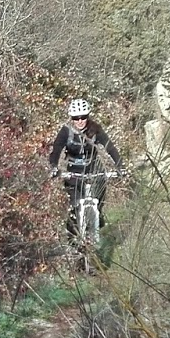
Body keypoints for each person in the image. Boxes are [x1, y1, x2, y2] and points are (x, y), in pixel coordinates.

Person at [47, 98, 124, 237]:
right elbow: (56, 150)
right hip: (74, 171)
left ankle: (98, 215)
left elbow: (109, 147)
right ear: (72, 118)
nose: (80, 121)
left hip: (93, 168)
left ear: (88, 116)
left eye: (83, 117)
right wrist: (53, 166)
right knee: (74, 207)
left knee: (99, 197)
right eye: (76, 118)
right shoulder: (66, 131)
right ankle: (72, 239)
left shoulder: (95, 129)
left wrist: (120, 166)